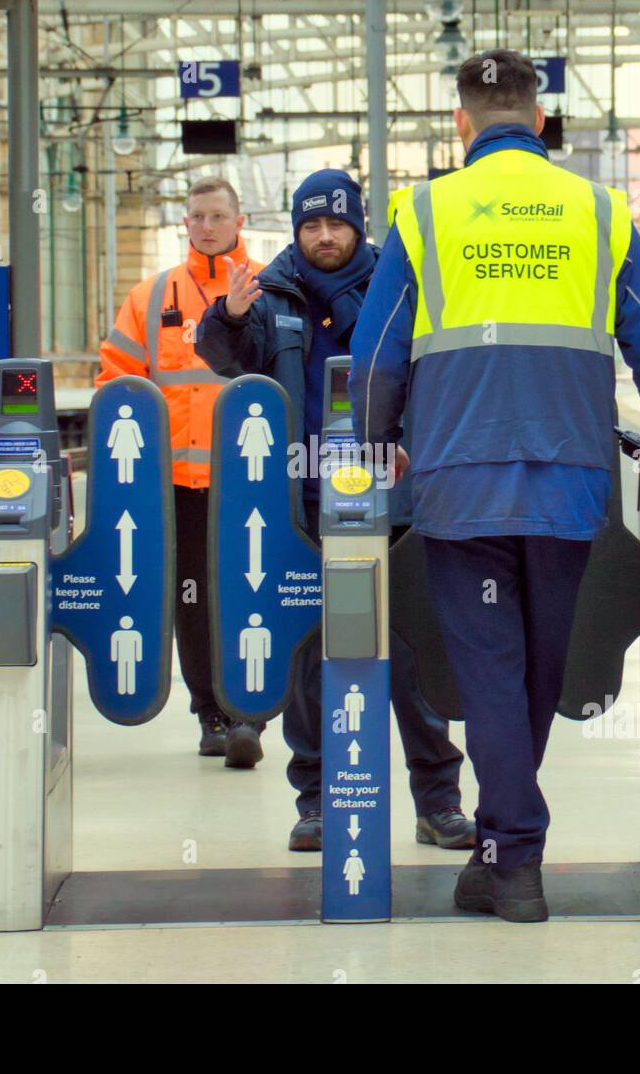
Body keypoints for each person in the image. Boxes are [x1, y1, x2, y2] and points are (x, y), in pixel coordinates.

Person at [348, 49, 640, 921]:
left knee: (493, 667)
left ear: (461, 124)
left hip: (460, 481)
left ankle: (512, 860)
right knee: (538, 666)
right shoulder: (598, 210)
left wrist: (372, 443)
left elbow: (374, 352)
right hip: (570, 477)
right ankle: (506, 849)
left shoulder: (424, 211)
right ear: (539, 122)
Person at [196, 168, 475, 853]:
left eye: (337, 223)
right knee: (311, 663)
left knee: (411, 657)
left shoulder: (397, 283)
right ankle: (316, 799)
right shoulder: (271, 293)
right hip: (307, 505)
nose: (325, 236)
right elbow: (226, 358)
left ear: (358, 224)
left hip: (395, 500)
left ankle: (437, 799)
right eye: (311, 225)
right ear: (296, 229)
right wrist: (229, 319)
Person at [96, 176, 266, 768]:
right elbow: (115, 386)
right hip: (179, 488)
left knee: (252, 593)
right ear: (185, 225)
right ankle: (211, 715)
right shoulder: (150, 298)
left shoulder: (268, 290)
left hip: (252, 481)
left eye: (219, 215)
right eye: (198, 217)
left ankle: (250, 709)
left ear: (238, 221)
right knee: (191, 598)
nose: (208, 226)